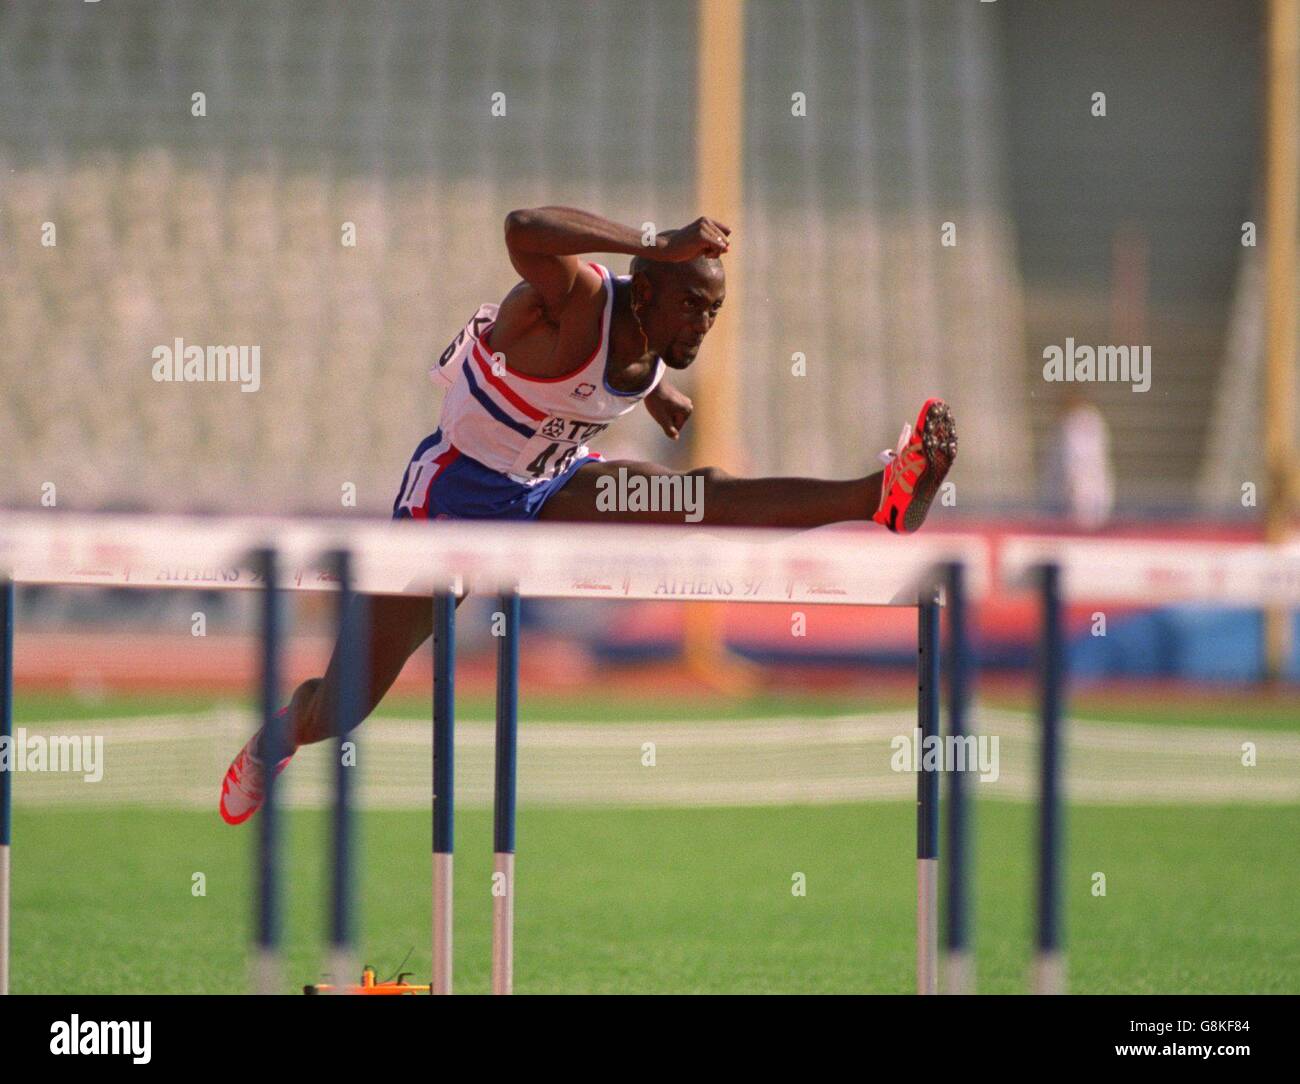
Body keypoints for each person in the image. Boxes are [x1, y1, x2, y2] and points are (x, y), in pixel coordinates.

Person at [220, 206, 957, 823]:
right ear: (644, 292)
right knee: (344, 705)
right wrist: (650, 242)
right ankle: (279, 737)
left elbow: (618, 379)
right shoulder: (573, 301)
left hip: (549, 492)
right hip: (451, 501)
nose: (703, 325)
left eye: (715, 310)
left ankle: (879, 497)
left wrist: (655, 391)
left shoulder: (652, 349)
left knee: (699, 496)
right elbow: (522, 227)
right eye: (692, 306)